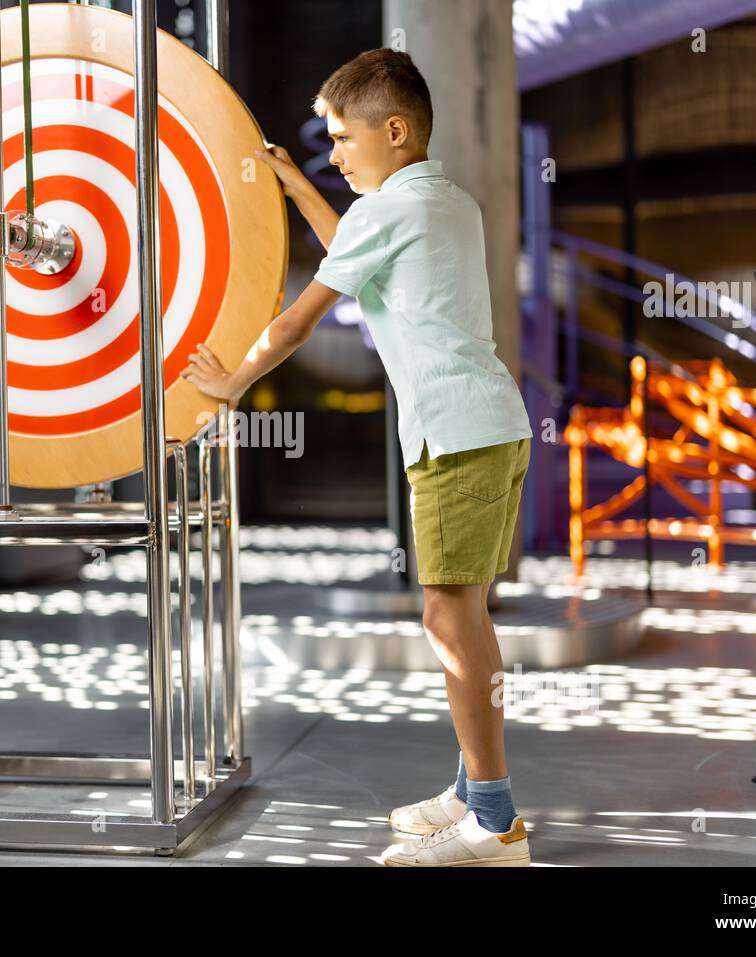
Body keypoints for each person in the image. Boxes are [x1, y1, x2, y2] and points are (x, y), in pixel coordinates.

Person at [180, 48, 533, 867]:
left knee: (449, 620)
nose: (333, 155)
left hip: (456, 438)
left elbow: (301, 318)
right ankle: (471, 792)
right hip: (493, 426)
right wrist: (299, 188)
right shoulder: (445, 203)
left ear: (395, 130)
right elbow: (357, 251)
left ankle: (496, 823)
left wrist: (232, 382)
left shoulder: (387, 215)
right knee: (466, 618)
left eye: (340, 140)